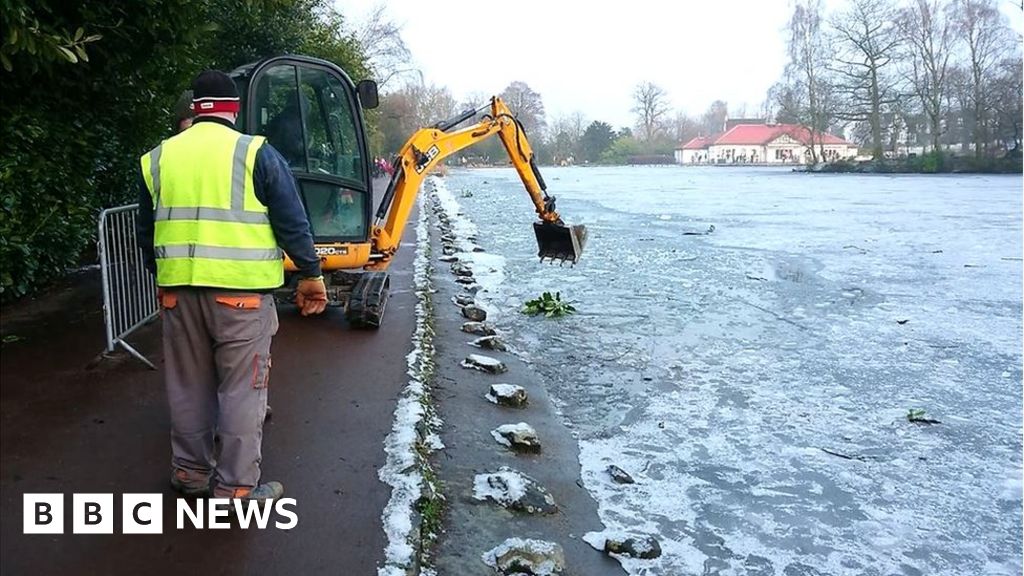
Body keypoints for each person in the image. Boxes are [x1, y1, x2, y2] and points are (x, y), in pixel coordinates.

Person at [136, 70, 328, 502]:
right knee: (242, 391)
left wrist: (161, 280)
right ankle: (237, 488)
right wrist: (311, 274)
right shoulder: (255, 153)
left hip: (179, 295)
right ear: (234, 109)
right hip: (241, 299)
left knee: (188, 388)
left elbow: (145, 233)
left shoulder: (158, 158)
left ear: (194, 108)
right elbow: (292, 222)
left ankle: (189, 474)